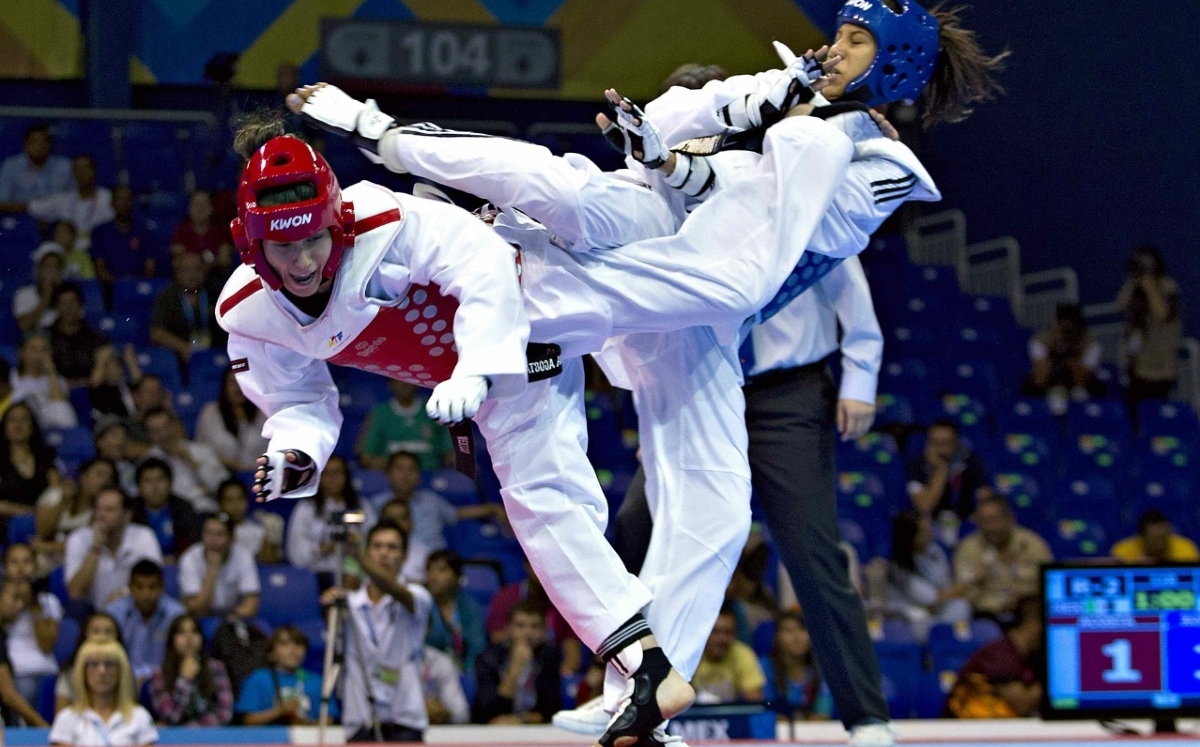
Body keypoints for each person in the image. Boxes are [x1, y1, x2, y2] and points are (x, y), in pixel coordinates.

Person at [228, 56, 856, 741]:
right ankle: (645, 667)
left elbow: (481, 258)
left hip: (550, 277)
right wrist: (295, 450)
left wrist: (371, 128)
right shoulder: (246, 312)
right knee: (545, 505)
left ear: (336, 219)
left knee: (721, 281)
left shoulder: (384, 219)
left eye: (315, 235)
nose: (305, 260)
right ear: (251, 244)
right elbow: (298, 397)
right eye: (284, 247)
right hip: (522, 363)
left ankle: (829, 143)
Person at [320, 520, 433, 742]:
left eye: (392, 547)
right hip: (360, 720)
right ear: (369, 550)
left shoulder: (416, 596)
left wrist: (358, 555)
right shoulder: (348, 603)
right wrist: (328, 605)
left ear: (405, 555)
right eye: (377, 546)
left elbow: (392, 587)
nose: (384, 554)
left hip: (405, 720)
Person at [367, 450, 501, 552]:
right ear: (388, 474)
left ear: (419, 476)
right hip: (391, 562)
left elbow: (458, 513)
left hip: (432, 565)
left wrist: (493, 508)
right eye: (399, 468)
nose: (405, 474)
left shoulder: (431, 500)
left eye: (411, 469)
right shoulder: (375, 504)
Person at [953, 495, 1053, 620]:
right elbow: (962, 592)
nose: (990, 527)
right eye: (984, 521)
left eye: (994, 520)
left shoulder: (1032, 544)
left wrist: (1024, 597)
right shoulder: (968, 548)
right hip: (985, 617)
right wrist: (978, 579)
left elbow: (1049, 586)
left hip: (1028, 615)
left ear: (1010, 518)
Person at [65, 487, 164, 610]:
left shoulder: (144, 536)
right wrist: (95, 548)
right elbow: (75, 592)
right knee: (76, 608)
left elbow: (154, 583)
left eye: (109, 510)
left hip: (133, 609)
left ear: (127, 515)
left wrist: (123, 595)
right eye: (98, 509)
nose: (101, 515)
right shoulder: (78, 539)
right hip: (91, 616)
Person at [286, 454, 376, 588]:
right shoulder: (306, 508)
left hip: (354, 575)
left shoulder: (361, 506)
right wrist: (323, 548)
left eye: (337, 472)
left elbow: (374, 541)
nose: (332, 478)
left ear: (346, 476)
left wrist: (356, 543)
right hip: (315, 575)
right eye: (326, 473)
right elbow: (296, 555)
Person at [946, 597, 1043, 718]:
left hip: (997, 727)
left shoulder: (1029, 656)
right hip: (967, 729)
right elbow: (1023, 704)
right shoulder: (1000, 656)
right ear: (1034, 623)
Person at [49, 638, 158, 746]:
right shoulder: (67, 718)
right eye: (94, 664)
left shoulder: (140, 717)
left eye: (109, 664)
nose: (102, 671)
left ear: (121, 671)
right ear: (83, 671)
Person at [884, 509, 971, 642]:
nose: (930, 534)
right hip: (910, 620)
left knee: (961, 605)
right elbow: (932, 598)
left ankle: (947, 645)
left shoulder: (935, 551)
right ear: (910, 537)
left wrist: (950, 595)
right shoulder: (899, 568)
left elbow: (946, 588)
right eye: (923, 532)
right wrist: (967, 585)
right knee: (922, 620)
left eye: (929, 528)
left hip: (938, 613)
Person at [473, 600, 563, 725]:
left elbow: (552, 710)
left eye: (535, 626)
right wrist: (516, 667)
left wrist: (521, 720)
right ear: (509, 628)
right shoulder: (488, 658)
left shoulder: (550, 657)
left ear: (544, 630)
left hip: (535, 730)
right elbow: (486, 710)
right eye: (520, 626)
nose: (527, 633)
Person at [1118, 244, 1182, 409]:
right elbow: (1121, 304)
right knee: (1135, 413)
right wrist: (1135, 282)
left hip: (1160, 367)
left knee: (1156, 414)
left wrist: (1151, 289)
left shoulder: (1167, 286)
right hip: (1137, 365)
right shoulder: (1134, 286)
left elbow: (1162, 314)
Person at [4, 154, 115, 249]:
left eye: (86, 168)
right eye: (78, 169)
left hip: (98, 251)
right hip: (68, 255)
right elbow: (28, 206)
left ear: (94, 170)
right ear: (73, 173)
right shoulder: (64, 199)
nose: (83, 172)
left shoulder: (108, 197)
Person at [906, 420, 989, 541]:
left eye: (946, 442)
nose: (940, 448)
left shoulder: (970, 462)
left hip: (965, 523)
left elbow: (985, 496)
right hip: (932, 525)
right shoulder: (916, 466)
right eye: (935, 442)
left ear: (956, 443)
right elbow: (924, 506)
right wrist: (941, 469)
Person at [105, 559, 187, 683]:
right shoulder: (114, 613)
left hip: (166, 682)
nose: (146, 594)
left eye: (152, 587)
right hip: (122, 682)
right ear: (130, 587)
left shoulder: (177, 615)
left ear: (162, 587)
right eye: (140, 587)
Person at [234, 624, 331, 726]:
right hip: (269, 740)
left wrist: (307, 724)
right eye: (284, 644)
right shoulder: (258, 679)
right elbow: (248, 721)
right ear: (271, 653)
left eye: (298, 644)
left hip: (307, 740)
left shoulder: (317, 681)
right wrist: (280, 711)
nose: (293, 650)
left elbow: (329, 720)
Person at [34, 456, 117, 575]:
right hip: (43, 565)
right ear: (83, 477)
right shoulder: (56, 495)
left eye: (109, 477)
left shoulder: (107, 511)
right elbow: (43, 531)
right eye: (100, 474)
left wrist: (47, 547)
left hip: (77, 568)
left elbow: (88, 545)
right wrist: (63, 501)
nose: (105, 481)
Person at [148, 612, 234, 726]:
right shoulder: (160, 674)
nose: (189, 638)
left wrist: (192, 727)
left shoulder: (216, 668)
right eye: (181, 632)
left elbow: (224, 714)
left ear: (201, 637)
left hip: (210, 738)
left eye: (194, 631)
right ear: (172, 639)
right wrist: (185, 679)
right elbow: (171, 717)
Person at [3, 544, 63, 703]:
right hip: (16, 670)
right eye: (14, 562)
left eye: (26, 562)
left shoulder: (49, 601)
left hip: (46, 669)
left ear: (35, 567)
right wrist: (14, 601)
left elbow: (47, 644)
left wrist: (33, 605)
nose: (21, 568)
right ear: (4, 568)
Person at [141, 406, 228, 513]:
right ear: (149, 435)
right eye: (156, 431)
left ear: (174, 425)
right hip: (174, 515)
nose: (163, 435)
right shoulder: (148, 460)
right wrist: (200, 491)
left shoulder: (201, 451)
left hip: (208, 510)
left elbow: (222, 485)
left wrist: (191, 461)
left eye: (165, 427)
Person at [150, 251, 227, 370]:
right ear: (177, 273)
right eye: (186, 271)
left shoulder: (216, 293)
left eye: (197, 270)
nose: (192, 275)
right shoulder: (167, 297)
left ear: (204, 271)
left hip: (215, 356)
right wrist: (183, 347)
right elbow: (157, 333)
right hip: (180, 357)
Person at [178, 512, 261, 620]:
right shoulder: (190, 558)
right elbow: (197, 610)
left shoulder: (244, 557)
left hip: (234, 617)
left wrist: (229, 621)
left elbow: (251, 605)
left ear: (231, 538)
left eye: (219, 534)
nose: (212, 540)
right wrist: (212, 569)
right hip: (199, 620)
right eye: (208, 533)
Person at [357, 380, 453, 471]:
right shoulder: (379, 413)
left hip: (430, 476)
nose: (404, 384)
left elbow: (450, 454)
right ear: (390, 384)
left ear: (416, 382)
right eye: (398, 379)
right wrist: (399, 467)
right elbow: (366, 457)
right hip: (391, 479)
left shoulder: (434, 409)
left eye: (407, 379)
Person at [1022, 303, 1104, 409]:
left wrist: (1071, 351)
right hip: (1047, 387)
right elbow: (1041, 379)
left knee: (1086, 391)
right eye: (1062, 326)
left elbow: (1081, 381)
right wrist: (1055, 348)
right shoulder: (1041, 341)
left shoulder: (1091, 344)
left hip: (1077, 388)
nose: (1066, 332)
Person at [424, 549, 487, 676]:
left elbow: (477, 645)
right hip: (428, 670)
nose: (433, 576)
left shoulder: (468, 606)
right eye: (429, 570)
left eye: (441, 570)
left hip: (462, 671)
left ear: (457, 576)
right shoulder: (422, 604)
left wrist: (469, 674)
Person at [194, 366, 269, 473]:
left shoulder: (263, 412)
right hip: (220, 474)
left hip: (257, 473)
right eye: (232, 382)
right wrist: (234, 466)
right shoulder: (210, 412)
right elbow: (203, 448)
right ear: (224, 386)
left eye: (242, 382)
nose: (238, 388)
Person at [760, 611, 831, 720]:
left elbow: (822, 715)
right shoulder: (763, 668)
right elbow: (766, 711)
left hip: (812, 733)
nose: (796, 636)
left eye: (802, 628)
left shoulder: (821, 671)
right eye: (788, 630)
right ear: (775, 638)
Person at [0, 402, 61, 529]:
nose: (18, 425)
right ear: (4, 427)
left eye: (23, 419)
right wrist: (28, 512)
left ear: (32, 426)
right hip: (8, 523)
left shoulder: (45, 458)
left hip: (45, 523)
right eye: (12, 420)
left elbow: (56, 492)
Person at [691, 603, 766, 704]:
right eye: (715, 631)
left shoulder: (743, 654)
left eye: (728, 632)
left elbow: (754, 705)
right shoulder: (688, 655)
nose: (721, 639)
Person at [92, 184, 167, 286]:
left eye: (128, 199)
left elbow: (150, 268)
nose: (125, 203)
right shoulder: (99, 233)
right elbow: (100, 269)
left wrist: (132, 286)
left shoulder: (145, 233)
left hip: (138, 287)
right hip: (110, 288)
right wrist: (119, 286)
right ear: (112, 203)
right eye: (121, 199)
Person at [131, 457, 202, 560]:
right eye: (148, 481)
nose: (155, 487)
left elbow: (194, 544)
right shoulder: (130, 511)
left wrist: (177, 558)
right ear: (139, 486)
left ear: (170, 482)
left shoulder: (184, 508)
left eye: (160, 479)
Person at [54, 611, 122, 713]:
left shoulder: (125, 670)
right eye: (96, 631)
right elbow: (61, 713)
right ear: (85, 635)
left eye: (108, 632)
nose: (102, 637)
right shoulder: (68, 674)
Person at [10, 332, 78, 429]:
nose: (39, 354)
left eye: (44, 350)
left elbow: (61, 407)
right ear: (22, 352)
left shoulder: (57, 380)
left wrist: (51, 370)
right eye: (33, 349)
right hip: (22, 421)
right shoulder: (11, 377)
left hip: (50, 423)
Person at [48, 282, 111, 385]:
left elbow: (101, 375)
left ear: (80, 304)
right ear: (57, 307)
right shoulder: (46, 336)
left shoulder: (96, 337)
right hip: (54, 393)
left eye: (73, 302)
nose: (69, 308)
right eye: (63, 303)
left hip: (91, 392)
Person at [0, 123, 73, 202]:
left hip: (57, 213)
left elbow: (77, 199)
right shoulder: (11, 166)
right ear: (26, 145)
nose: (39, 146)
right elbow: (2, 200)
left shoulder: (64, 165)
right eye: (34, 142)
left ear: (50, 145)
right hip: (20, 212)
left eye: (43, 142)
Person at [218, 477, 284, 563]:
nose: (235, 505)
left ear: (247, 501)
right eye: (229, 500)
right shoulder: (214, 531)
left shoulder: (259, 530)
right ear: (220, 504)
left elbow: (270, 563)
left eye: (239, 499)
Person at [171, 190, 233, 269]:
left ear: (211, 208)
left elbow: (224, 261)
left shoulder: (221, 231)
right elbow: (177, 260)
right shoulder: (181, 230)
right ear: (189, 208)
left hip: (213, 276)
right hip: (187, 274)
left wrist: (201, 263)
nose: (200, 209)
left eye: (204, 205)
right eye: (196, 205)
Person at [14, 240, 67, 333]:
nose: (52, 272)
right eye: (48, 267)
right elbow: (24, 326)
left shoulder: (69, 294)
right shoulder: (24, 293)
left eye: (56, 267)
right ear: (39, 269)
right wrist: (46, 297)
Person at [1111, 508, 1200, 563]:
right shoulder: (1123, 552)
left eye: (1163, 538)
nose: (1160, 544)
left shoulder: (1186, 549)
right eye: (1154, 539)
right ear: (1142, 537)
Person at [89, 344, 143, 424]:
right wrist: (101, 360)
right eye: (110, 367)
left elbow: (141, 383)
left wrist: (131, 362)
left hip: (133, 424)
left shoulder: (126, 387)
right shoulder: (99, 390)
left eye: (117, 366)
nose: (115, 371)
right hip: (112, 425)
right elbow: (94, 382)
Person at [422, 645, 470, 725]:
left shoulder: (440, 661)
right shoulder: (395, 661)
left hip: (438, 728)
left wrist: (444, 712)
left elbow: (461, 714)